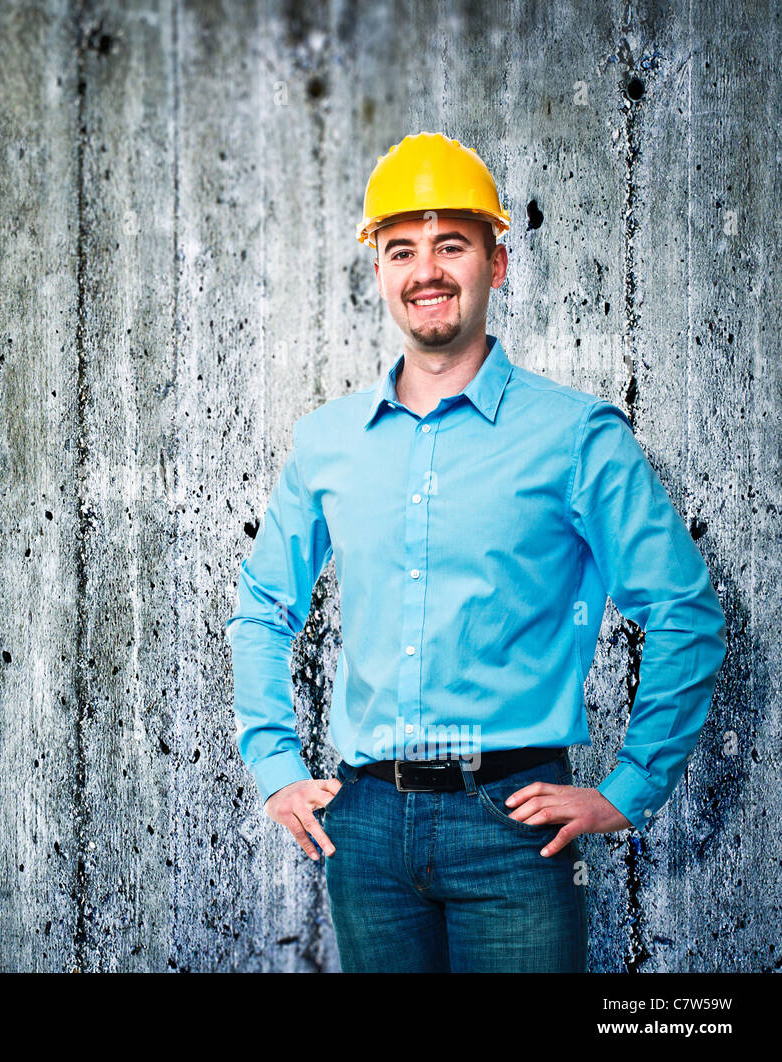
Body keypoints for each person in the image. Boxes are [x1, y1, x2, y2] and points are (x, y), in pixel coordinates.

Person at [223, 131, 727, 972]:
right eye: (402, 250)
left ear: (497, 263)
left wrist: (626, 791)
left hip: (511, 824)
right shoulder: (327, 443)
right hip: (364, 828)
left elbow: (684, 616)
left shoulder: (578, 437)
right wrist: (276, 764)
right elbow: (262, 608)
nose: (427, 270)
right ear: (379, 272)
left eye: (451, 245)